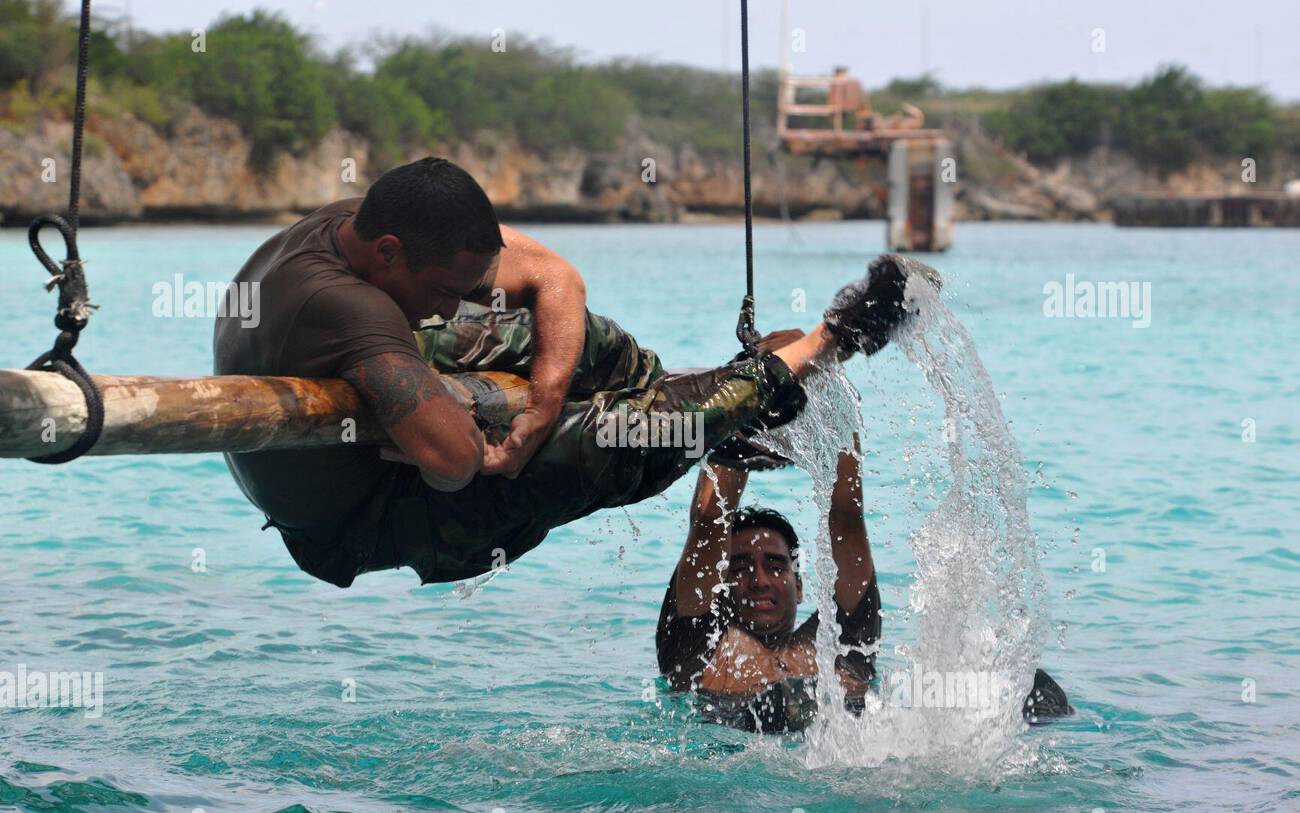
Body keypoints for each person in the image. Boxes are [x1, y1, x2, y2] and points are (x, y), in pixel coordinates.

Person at [214, 156, 928, 588]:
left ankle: (733, 405)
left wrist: (543, 401)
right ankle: (824, 344)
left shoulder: (362, 229)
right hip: (360, 519)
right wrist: (528, 434)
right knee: (623, 439)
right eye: (442, 292)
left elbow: (556, 278)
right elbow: (457, 461)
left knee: (584, 341)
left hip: (362, 408)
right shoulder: (354, 311)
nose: (449, 306)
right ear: (390, 253)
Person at [655, 436, 1074, 734]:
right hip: (741, 759)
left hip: (858, 767)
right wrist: (743, 414)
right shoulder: (697, 647)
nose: (759, 580)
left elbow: (847, 517)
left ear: (799, 587)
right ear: (716, 584)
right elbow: (710, 525)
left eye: (775, 566)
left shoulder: (837, 644)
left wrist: (817, 386)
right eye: (740, 567)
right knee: (792, 697)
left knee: (1024, 684)